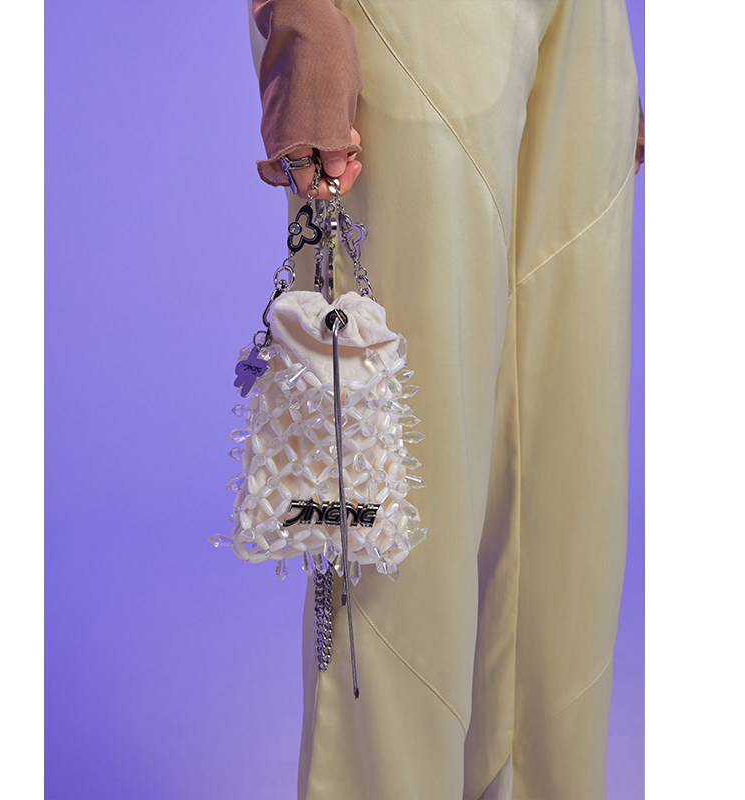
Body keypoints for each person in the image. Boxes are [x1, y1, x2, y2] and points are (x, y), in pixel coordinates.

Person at [248, 1, 644, 798]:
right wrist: (302, 21)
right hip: (416, 25)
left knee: (565, 491)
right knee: (399, 512)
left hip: (581, 26)